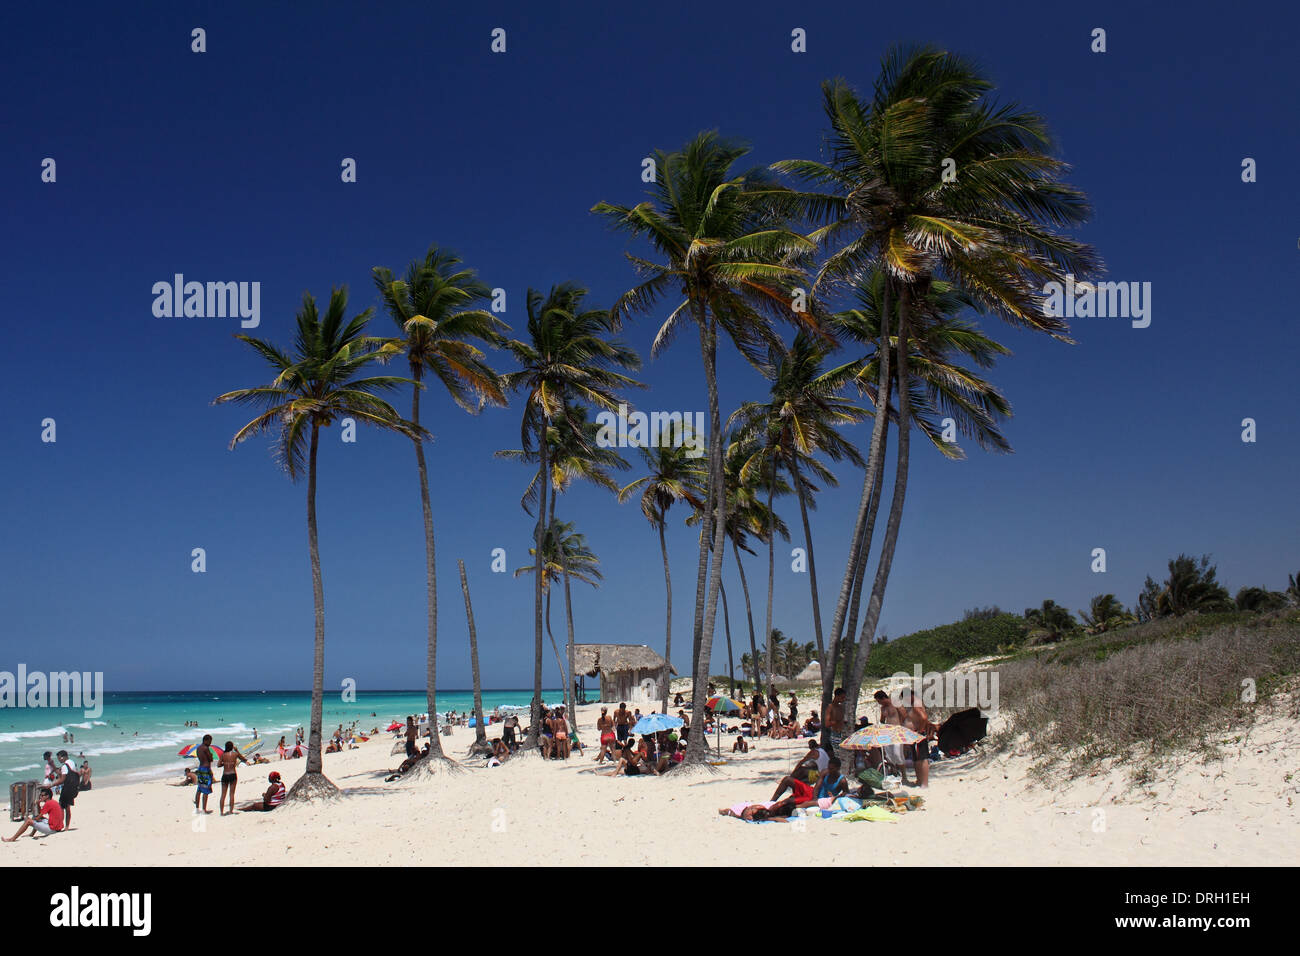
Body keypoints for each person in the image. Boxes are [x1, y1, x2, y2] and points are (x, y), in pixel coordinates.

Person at [899, 688, 937, 788]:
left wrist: (919, 731)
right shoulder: (914, 704)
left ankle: (924, 783)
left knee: (922, 758)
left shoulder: (916, 704)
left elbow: (924, 717)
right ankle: (920, 781)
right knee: (917, 758)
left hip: (918, 735)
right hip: (915, 735)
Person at [217, 740, 251, 815]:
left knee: (223, 794)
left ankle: (221, 812)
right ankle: (230, 811)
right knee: (231, 794)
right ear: (232, 747)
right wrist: (237, 750)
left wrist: (225, 764)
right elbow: (244, 759)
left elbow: (218, 765)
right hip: (232, 774)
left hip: (225, 775)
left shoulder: (223, 755)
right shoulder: (235, 754)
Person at [52, 750, 80, 827]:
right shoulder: (72, 762)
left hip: (67, 788)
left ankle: (60, 825)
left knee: (61, 806)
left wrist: (52, 785)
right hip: (73, 788)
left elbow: (62, 780)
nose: (59, 760)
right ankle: (67, 826)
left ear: (62, 757)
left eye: (58, 758)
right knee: (68, 808)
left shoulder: (65, 766)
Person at [194, 736, 215, 814]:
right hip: (206, 769)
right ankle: (204, 809)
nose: (210, 743)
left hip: (200, 768)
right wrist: (211, 755)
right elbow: (210, 759)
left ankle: (197, 808)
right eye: (210, 741)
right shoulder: (206, 748)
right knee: (206, 789)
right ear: (206, 740)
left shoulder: (198, 748)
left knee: (199, 789)